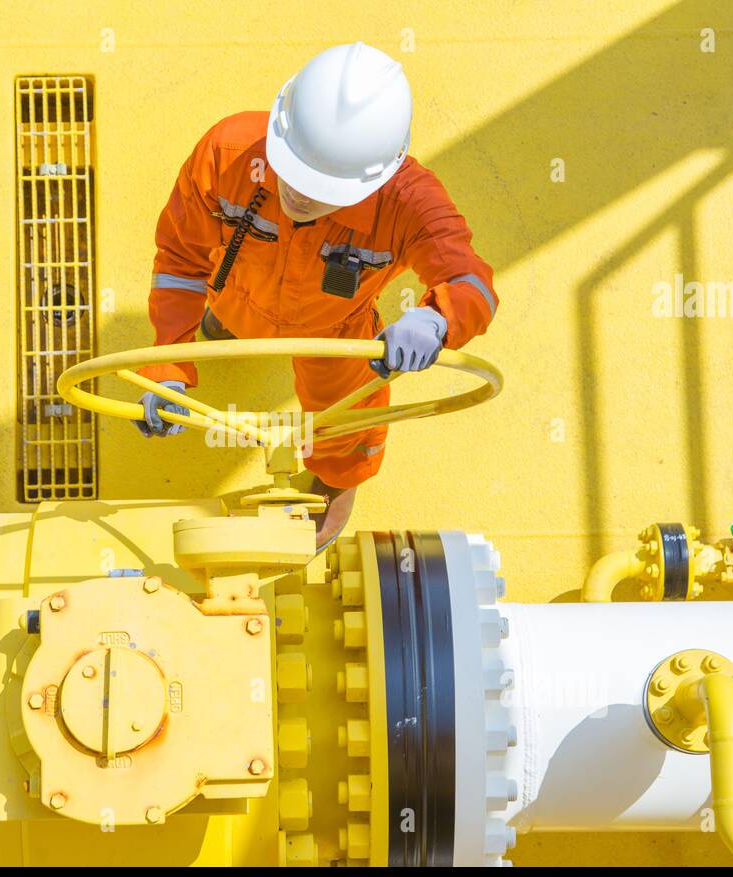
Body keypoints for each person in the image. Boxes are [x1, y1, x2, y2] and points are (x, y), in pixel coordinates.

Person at [135, 41, 498, 548]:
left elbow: (471, 281)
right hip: (237, 295)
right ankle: (225, 326)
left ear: (379, 177)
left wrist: (436, 319)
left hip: (335, 332)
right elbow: (180, 261)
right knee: (219, 317)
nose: (300, 195)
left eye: (324, 188)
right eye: (296, 170)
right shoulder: (227, 152)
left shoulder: (411, 204)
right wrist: (169, 364)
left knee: (347, 425)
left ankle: (336, 481)